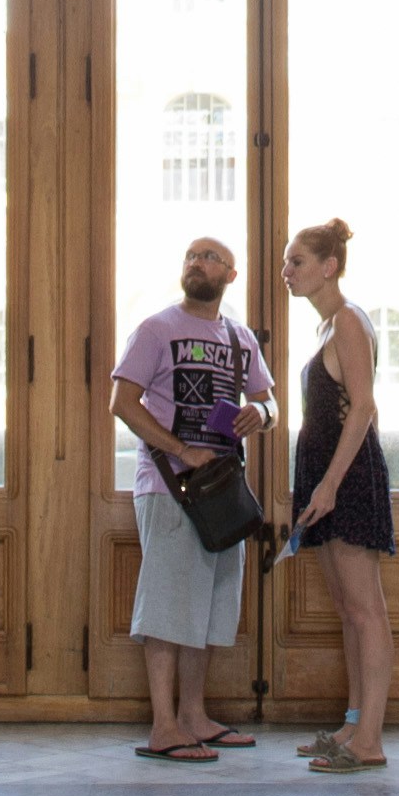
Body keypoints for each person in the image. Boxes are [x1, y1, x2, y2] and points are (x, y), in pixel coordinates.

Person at [110, 232, 272, 762]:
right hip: (168, 488)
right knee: (166, 606)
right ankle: (163, 726)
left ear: (229, 275)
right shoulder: (155, 329)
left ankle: (194, 717)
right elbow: (123, 403)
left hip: (223, 492)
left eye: (210, 258)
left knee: (206, 606)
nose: (197, 263)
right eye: (191, 256)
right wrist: (181, 449)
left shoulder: (239, 338)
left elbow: (267, 403)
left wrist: (261, 415)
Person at [281, 217, 395, 774]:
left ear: (329, 267)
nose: (286, 272)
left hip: (347, 481)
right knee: (349, 613)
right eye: (286, 262)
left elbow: (364, 407)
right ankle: (353, 723)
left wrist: (329, 484)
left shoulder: (348, 321)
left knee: (366, 611)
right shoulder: (326, 327)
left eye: (296, 262)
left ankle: (369, 739)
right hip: (326, 481)